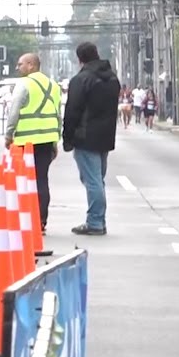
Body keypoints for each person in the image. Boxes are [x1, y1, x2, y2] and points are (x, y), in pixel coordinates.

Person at [62, 42, 120, 236]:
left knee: (92, 180)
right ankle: (99, 219)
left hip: (85, 136)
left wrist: (67, 137)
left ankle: (95, 222)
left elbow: (72, 110)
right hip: (105, 136)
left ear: (80, 59)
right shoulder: (112, 79)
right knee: (97, 179)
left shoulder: (81, 80)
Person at [5, 53, 61, 233]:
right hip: (46, 140)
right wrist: (55, 140)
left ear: (31, 65)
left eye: (20, 64)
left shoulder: (24, 84)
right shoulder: (53, 85)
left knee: (23, 181)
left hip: (25, 141)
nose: (17, 67)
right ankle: (41, 221)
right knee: (42, 180)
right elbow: (58, 114)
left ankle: (25, 219)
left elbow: (14, 111)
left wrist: (8, 135)